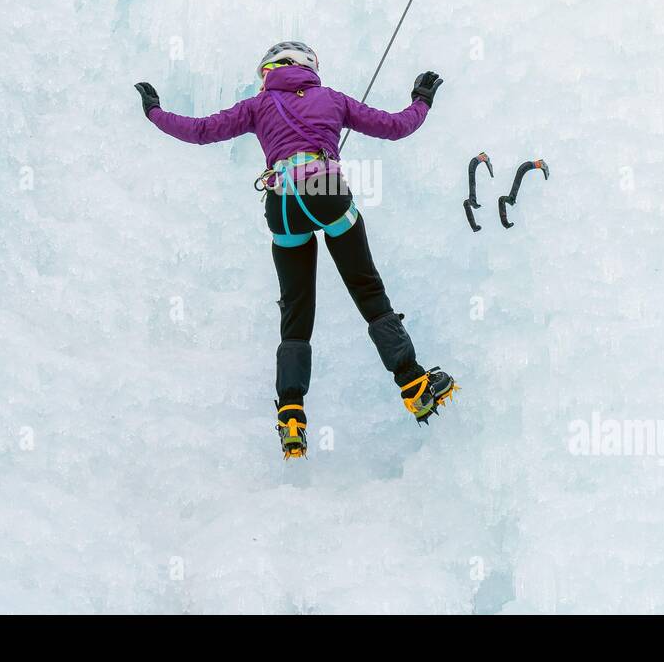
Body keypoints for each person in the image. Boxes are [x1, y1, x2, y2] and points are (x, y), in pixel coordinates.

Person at [134, 41, 458, 458]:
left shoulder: (257, 105)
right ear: (309, 67)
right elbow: (395, 126)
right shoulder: (331, 99)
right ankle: (414, 383)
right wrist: (421, 101)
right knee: (367, 291)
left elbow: (199, 131)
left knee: (296, 309)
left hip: (283, 202)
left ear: (269, 70)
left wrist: (154, 112)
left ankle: (291, 414)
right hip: (325, 190)